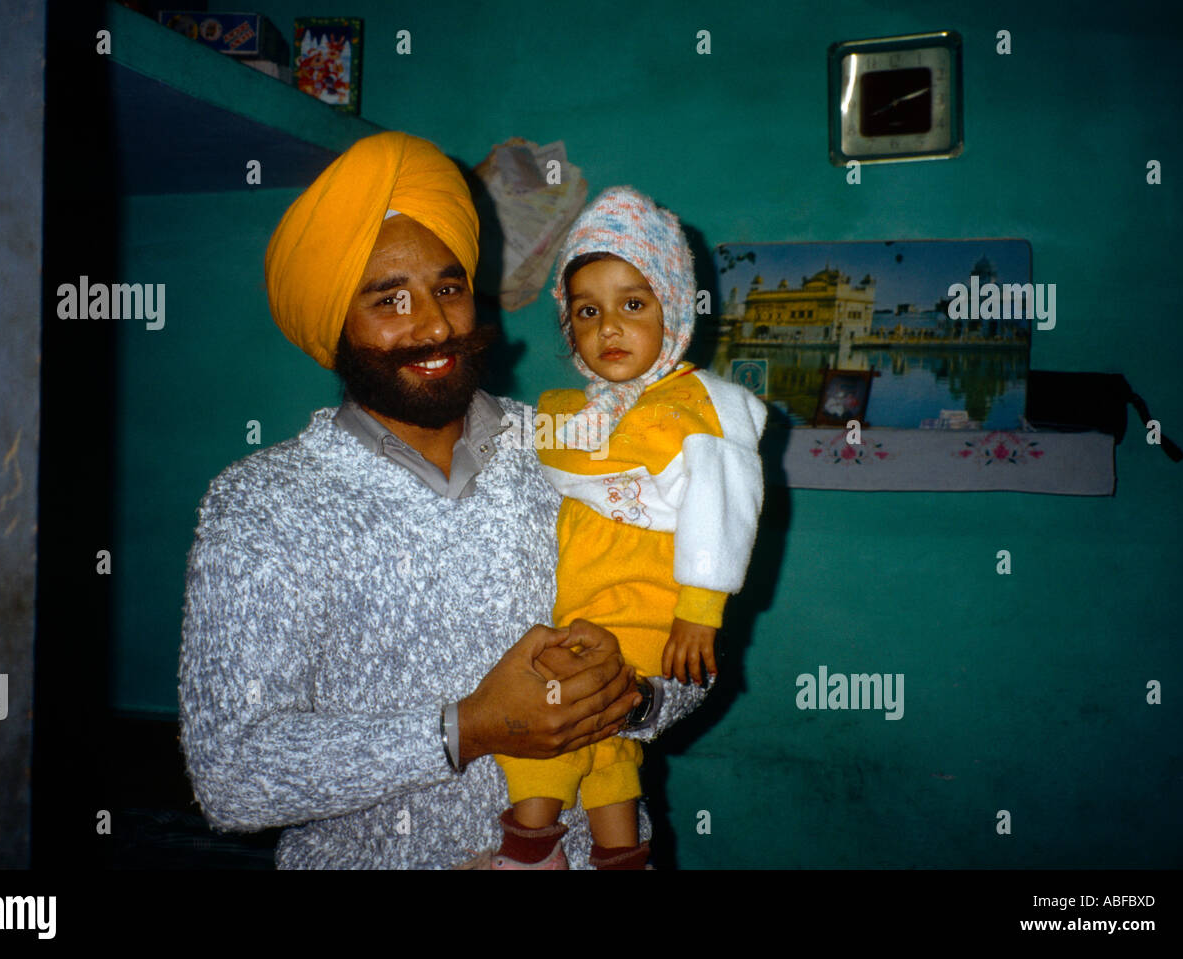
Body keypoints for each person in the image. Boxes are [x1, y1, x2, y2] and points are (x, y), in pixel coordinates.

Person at [177, 132, 710, 869]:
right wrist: (467, 729)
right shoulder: (262, 505)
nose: (432, 324)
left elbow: (687, 639)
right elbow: (232, 776)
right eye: (389, 299)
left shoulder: (575, 442)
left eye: (448, 288)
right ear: (335, 327)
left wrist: (634, 699)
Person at [491, 187, 768, 869]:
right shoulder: (567, 411)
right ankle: (622, 854)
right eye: (588, 311)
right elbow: (514, 464)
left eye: (633, 304)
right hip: (581, 603)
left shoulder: (700, 404)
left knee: (544, 718)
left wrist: (700, 614)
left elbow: (725, 500)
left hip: (645, 605)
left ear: (673, 307)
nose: (609, 326)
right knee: (607, 738)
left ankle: (526, 852)